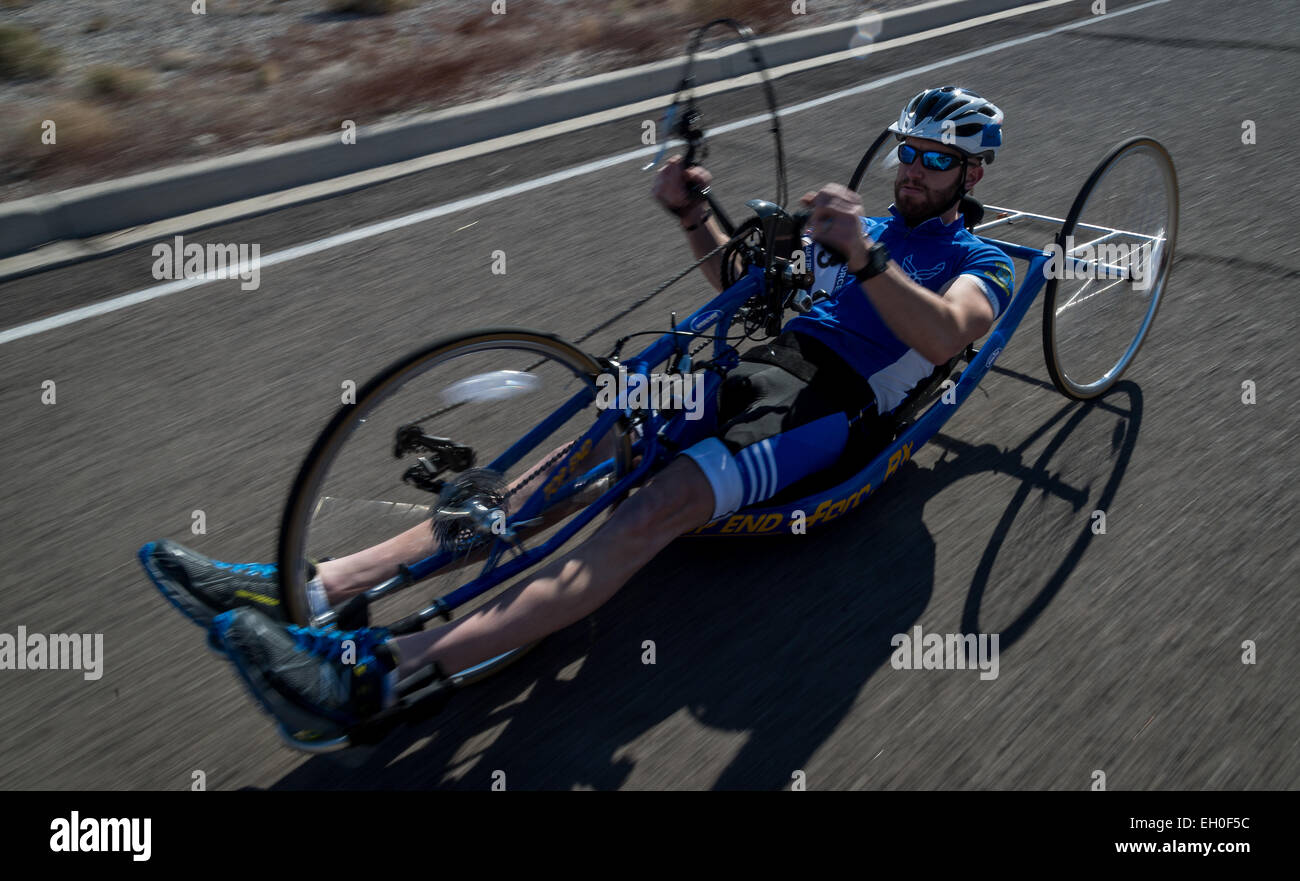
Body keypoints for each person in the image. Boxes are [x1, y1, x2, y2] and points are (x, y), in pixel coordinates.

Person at [139, 86, 1016, 748]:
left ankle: (376, 677)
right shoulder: (868, 231)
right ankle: (319, 588)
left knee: (648, 510)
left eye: (937, 159)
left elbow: (947, 337)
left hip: (829, 412)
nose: (913, 167)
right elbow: (741, 292)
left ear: (972, 175)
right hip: (757, 370)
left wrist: (862, 259)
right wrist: (691, 215)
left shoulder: (978, 259)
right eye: (909, 148)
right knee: (566, 461)